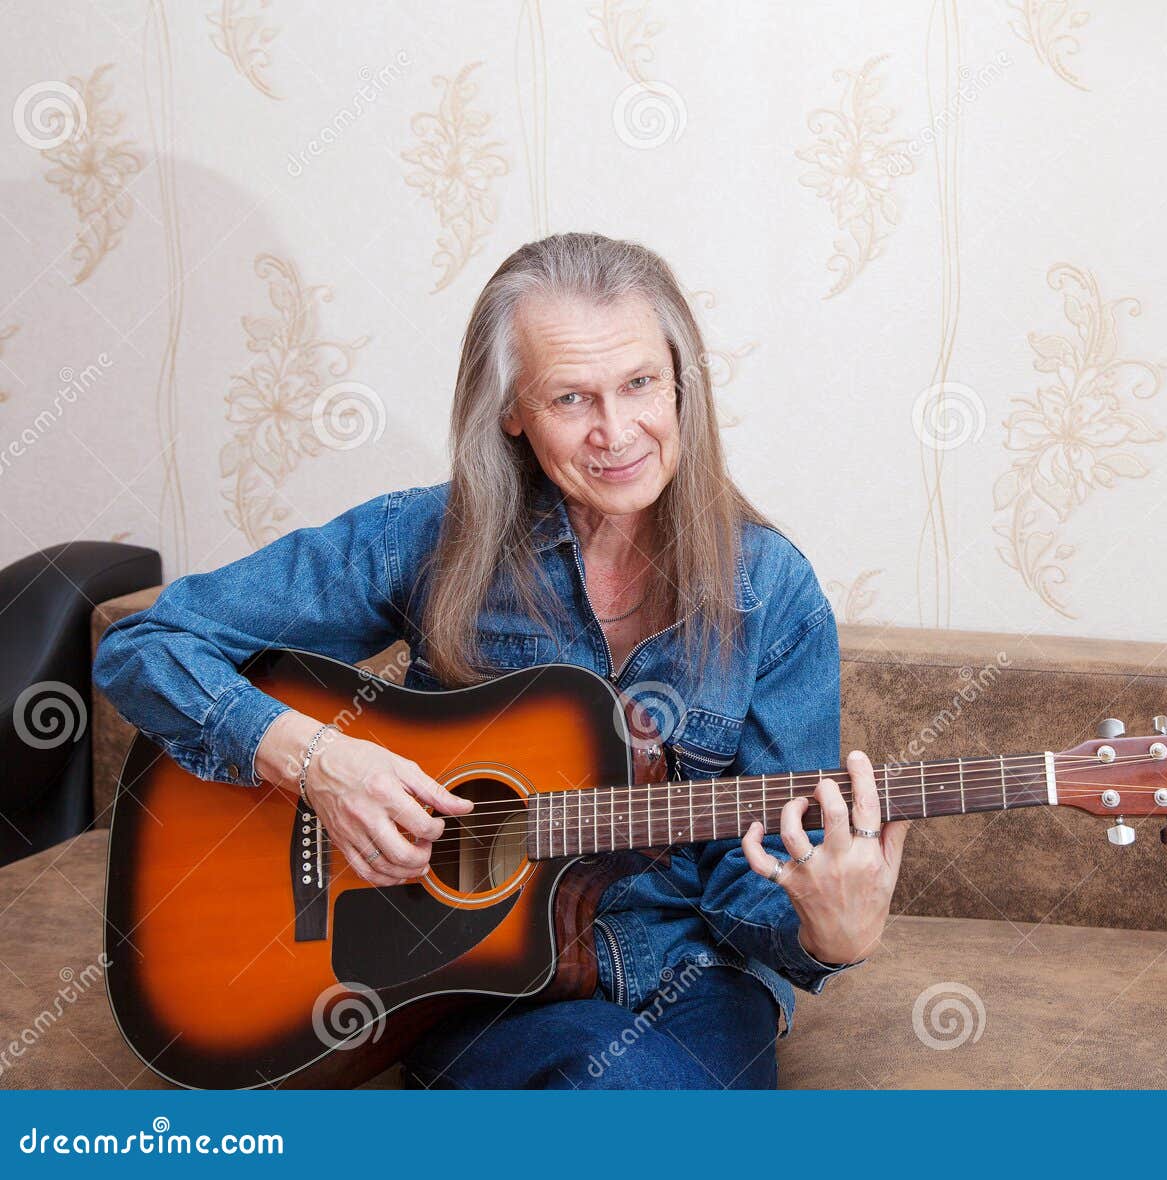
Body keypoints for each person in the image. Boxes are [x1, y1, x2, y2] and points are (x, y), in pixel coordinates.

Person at [93, 232, 909, 1089]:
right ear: (511, 410)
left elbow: (757, 895)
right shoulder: (425, 538)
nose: (616, 431)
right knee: (607, 1086)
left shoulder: (771, 592)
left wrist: (828, 935)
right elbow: (146, 646)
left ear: (682, 383)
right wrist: (318, 763)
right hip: (478, 985)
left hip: (692, 975)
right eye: (570, 398)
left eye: (640, 384)